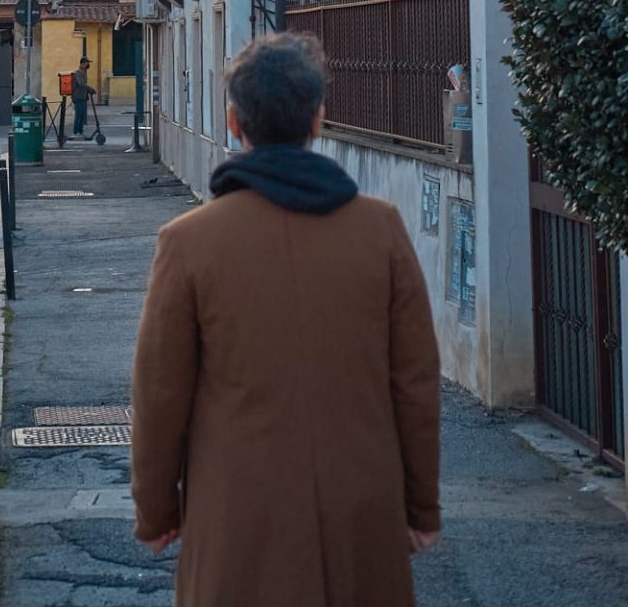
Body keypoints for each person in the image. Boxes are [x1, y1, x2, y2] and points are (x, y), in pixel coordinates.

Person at [131, 32, 440, 607]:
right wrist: (421, 506)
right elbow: (415, 384)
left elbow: (159, 395)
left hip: (238, 516)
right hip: (361, 512)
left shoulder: (189, 243)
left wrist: (157, 510)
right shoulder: (382, 230)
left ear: (232, 122)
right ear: (318, 118)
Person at [70, 57, 94, 137]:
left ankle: (80, 131)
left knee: (81, 115)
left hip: (83, 97)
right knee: (78, 114)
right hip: (78, 97)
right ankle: (75, 132)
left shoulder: (83, 72)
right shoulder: (78, 72)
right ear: (83, 63)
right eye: (87, 63)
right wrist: (90, 89)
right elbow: (81, 84)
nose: (88, 65)